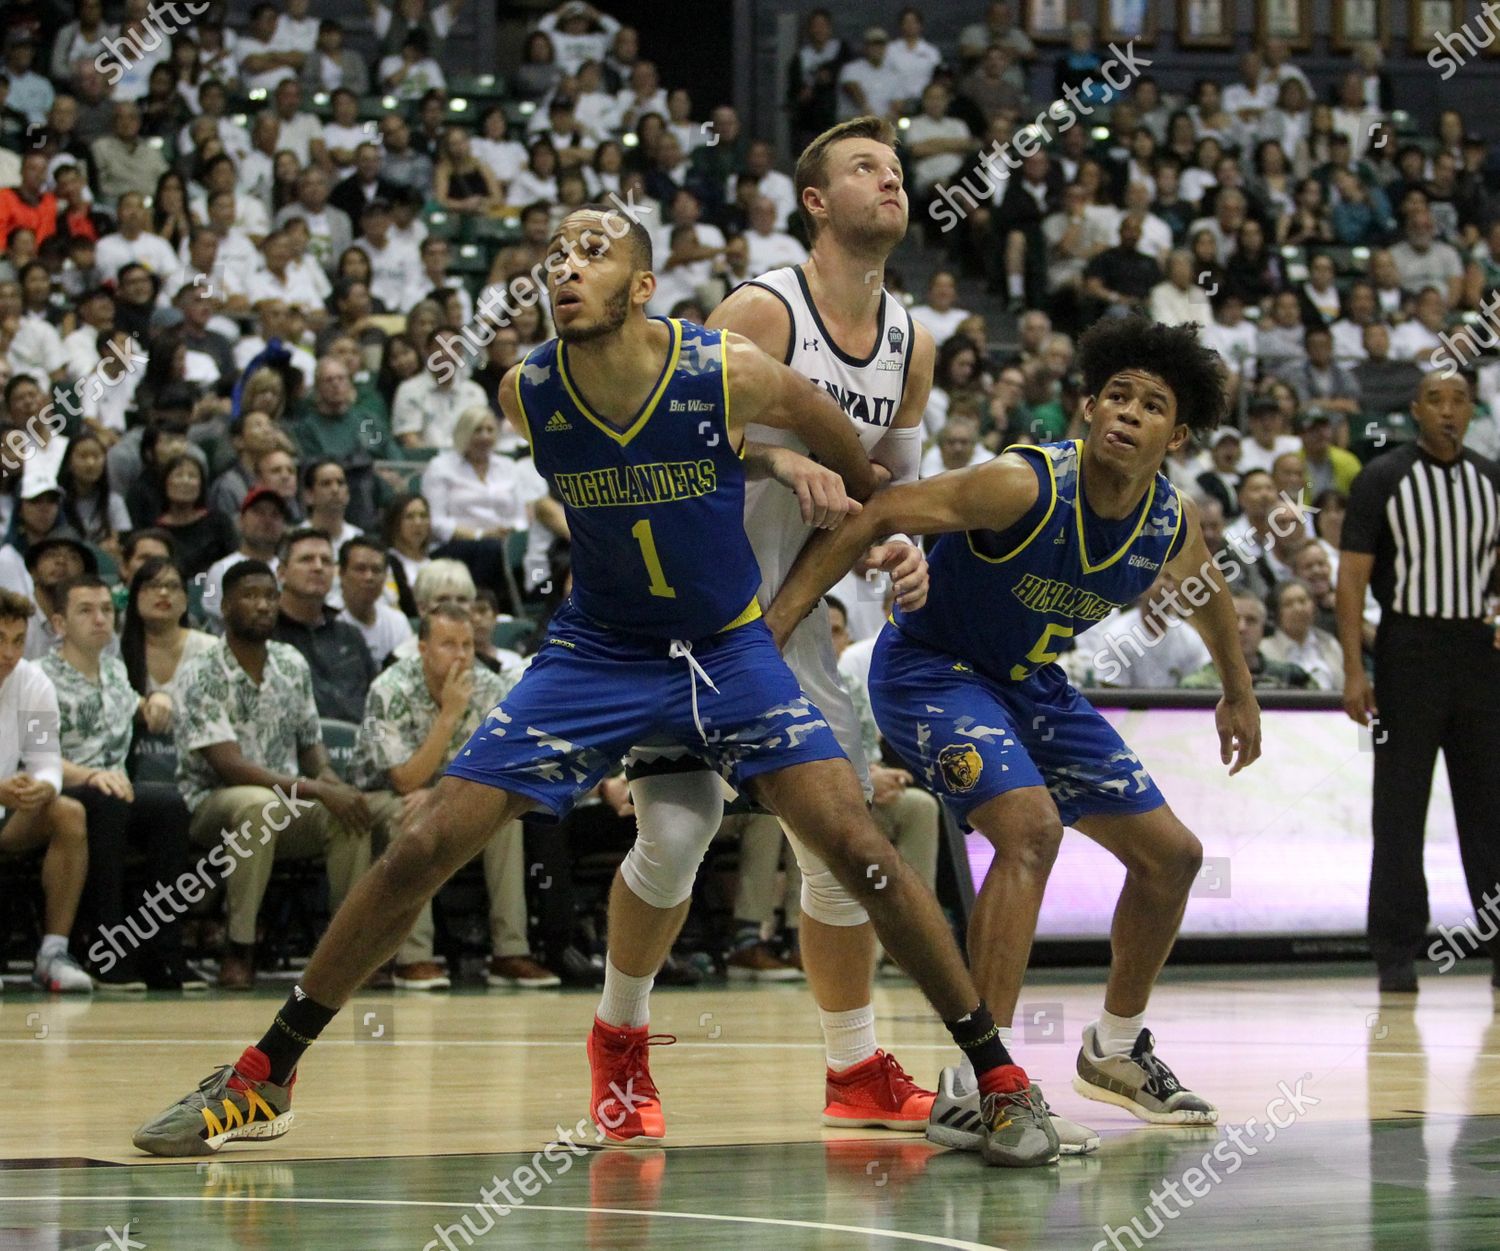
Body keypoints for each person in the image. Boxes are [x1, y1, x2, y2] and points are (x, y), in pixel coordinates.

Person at [134, 202, 1054, 1170]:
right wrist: (764, 454)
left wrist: (822, 488)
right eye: (554, 254)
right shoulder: (525, 392)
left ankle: (997, 1080)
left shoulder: (729, 370)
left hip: (729, 649)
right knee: (424, 842)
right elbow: (645, 448)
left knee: (861, 850)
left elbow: (851, 460)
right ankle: (264, 1075)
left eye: (592, 250)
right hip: (599, 652)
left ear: (644, 286)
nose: (565, 267)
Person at [763, 316, 1264, 1153]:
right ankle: (980, 1083)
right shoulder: (1021, 485)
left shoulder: (1167, 522)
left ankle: (1115, 1049)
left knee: (1173, 857)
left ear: (1176, 436)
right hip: (930, 671)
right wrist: (776, 623)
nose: (1128, 412)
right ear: (1088, 407)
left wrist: (1238, 690)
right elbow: (878, 510)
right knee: (1030, 829)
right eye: (1116, 395)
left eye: (1151, 405)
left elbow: (1206, 588)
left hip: (1030, 685)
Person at [600, 116, 959, 1146]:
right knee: (675, 836)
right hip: (690, 612)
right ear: (814, 201)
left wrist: (904, 544)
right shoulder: (765, 308)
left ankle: (855, 1069)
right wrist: (775, 457)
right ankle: (620, 1041)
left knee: (842, 846)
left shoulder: (912, 342)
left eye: (896, 169)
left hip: (791, 621)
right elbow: (661, 444)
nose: (889, 180)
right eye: (864, 167)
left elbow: (886, 490)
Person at [1337, 369, 1500, 994]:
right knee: (1399, 808)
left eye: (1458, 400)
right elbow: (1351, 578)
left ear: (1472, 410)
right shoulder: (1383, 478)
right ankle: (1396, 951)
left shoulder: (1491, 479)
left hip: (1479, 654)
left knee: (1490, 808)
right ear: (1416, 410)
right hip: (1408, 651)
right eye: (1436, 400)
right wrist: (1355, 668)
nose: (1448, 410)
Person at [164, 560, 373, 990]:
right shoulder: (200, 671)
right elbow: (229, 766)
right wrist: (316, 788)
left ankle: (344, 952)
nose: (262, 605)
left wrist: (332, 782)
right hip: (211, 803)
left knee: (347, 814)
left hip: (285, 800)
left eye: (270, 596)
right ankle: (239, 948)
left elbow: (310, 746)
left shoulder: (291, 663)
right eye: (250, 596)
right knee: (259, 807)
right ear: (225, 606)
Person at [352, 601, 557, 990]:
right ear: (422, 648)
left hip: (449, 794)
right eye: (448, 645)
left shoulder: (490, 686)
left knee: (506, 817)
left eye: (467, 645)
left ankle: (510, 952)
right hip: (383, 799)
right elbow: (404, 780)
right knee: (413, 816)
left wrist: (440, 795)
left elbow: (506, 764)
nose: (462, 656)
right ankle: (413, 958)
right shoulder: (389, 689)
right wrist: (449, 715)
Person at [41, 573, 201, 990]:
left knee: (171, 806)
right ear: (59, 624)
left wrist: (157, 699)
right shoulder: (38, 678)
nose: (100, 619)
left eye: (106, 610)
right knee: (107, 801)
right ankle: (105, 951)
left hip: (113, 787)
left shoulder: (114, 672)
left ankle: (163, 953)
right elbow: (36, 756)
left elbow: (137, 708)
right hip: (60, 791)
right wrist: (91, 775)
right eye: (86, 611)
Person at [0, 587, 92, 991]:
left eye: (18, 640)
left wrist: (42, 788)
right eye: (0, 640)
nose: (9, 653)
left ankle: (53, 953)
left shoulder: (32, 682)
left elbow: (45, 760)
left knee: (68, 812)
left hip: (7, 813)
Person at [271, 527, 377, 723]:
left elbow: (377, 704)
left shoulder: (350, 635)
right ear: (281, 573)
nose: (318, 567)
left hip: (360, 738)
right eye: (306, 559)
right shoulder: (265, 636)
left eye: (326, 561)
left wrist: (372, 739)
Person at [336, 536, 413, 667]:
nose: (369, 577)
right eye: (360, 569)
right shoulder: (329, 620)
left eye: (376, 570)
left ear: (385, 576)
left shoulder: (397, 622)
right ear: (342, 573)